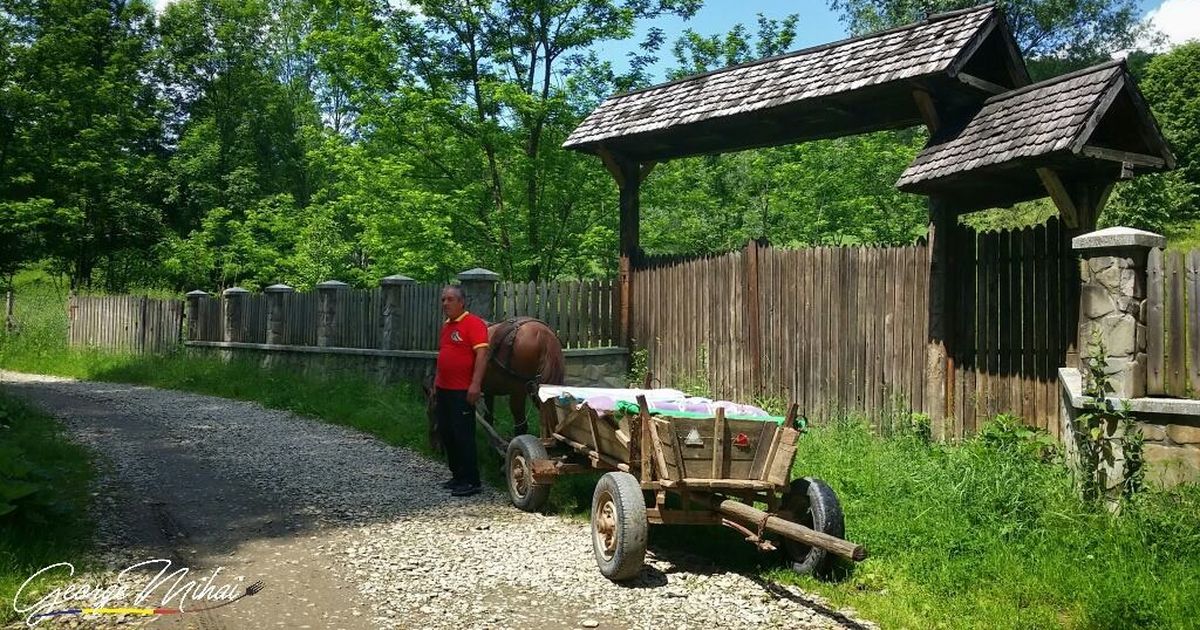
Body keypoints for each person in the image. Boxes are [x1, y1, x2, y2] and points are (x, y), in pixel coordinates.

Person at [433, 285, 489, 497]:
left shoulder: (473, 324)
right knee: (447, 433)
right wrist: (437, 385)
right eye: (443, 300)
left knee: (463, 435)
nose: (445, 304)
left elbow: (482, 356)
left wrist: (475, 384)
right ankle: (457, 475)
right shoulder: (447, 326)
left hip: (462, 390)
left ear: (461, 302)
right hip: (444, 389)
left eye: (450, 299)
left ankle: (471, 480)